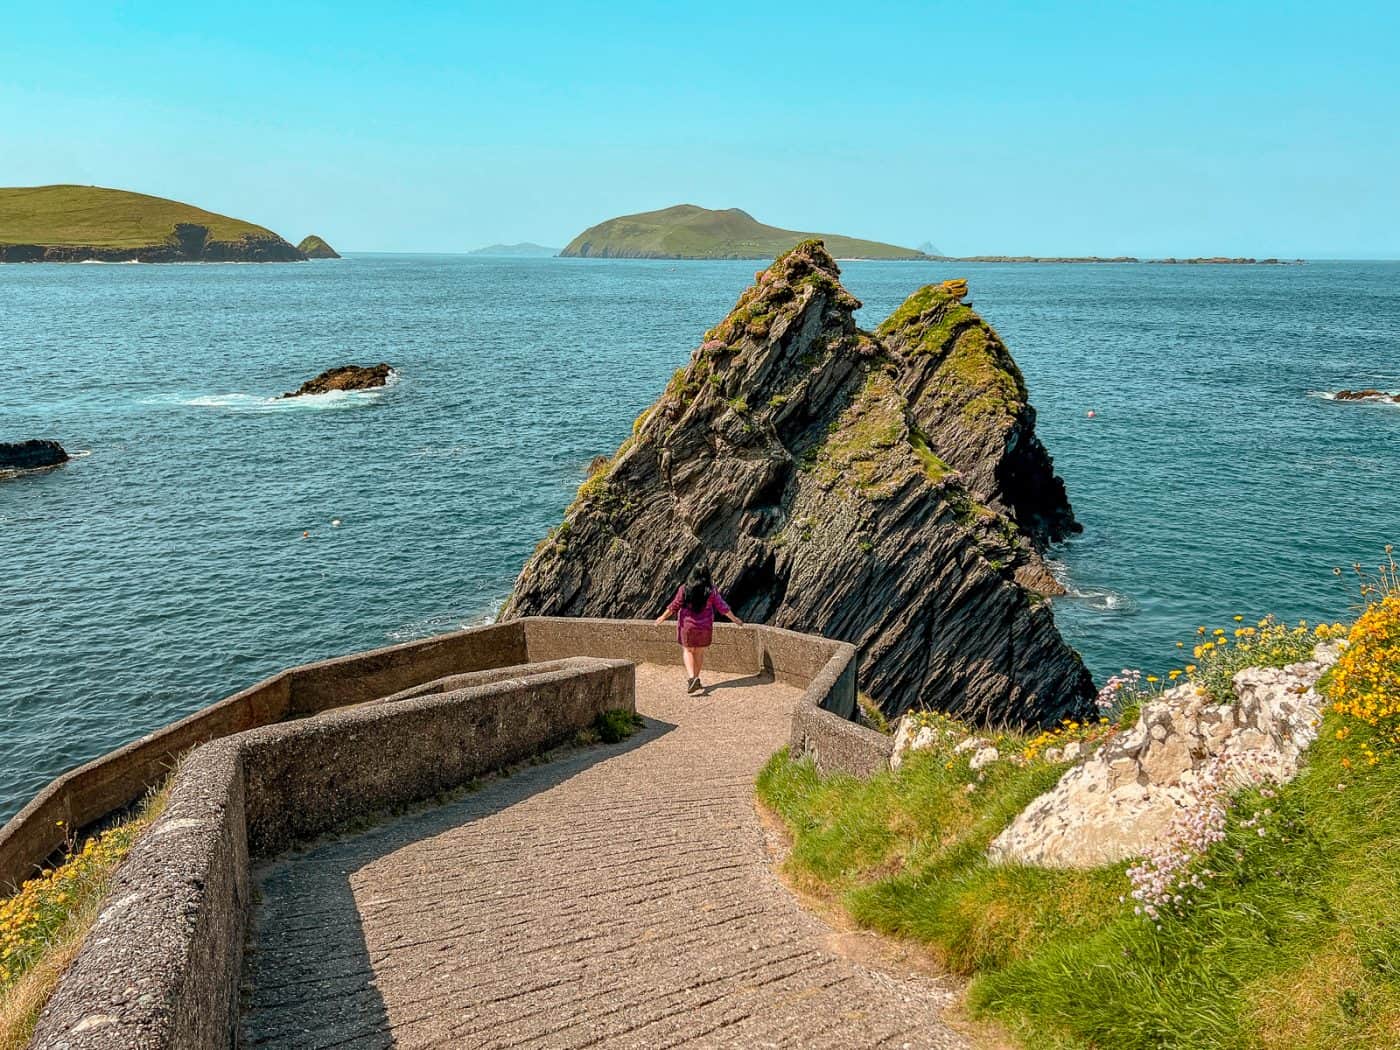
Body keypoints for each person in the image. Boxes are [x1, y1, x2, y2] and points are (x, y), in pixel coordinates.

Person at [654, 565, 744, 694]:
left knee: (688, 651)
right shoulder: (711, 590)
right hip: (705, 626)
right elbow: (722, 606)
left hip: (688, 625)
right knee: (699, 652)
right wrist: (735, 619)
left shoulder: (684, 589)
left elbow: (674, 605)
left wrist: (662, 617)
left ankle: (692, 679)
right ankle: (696, 678)